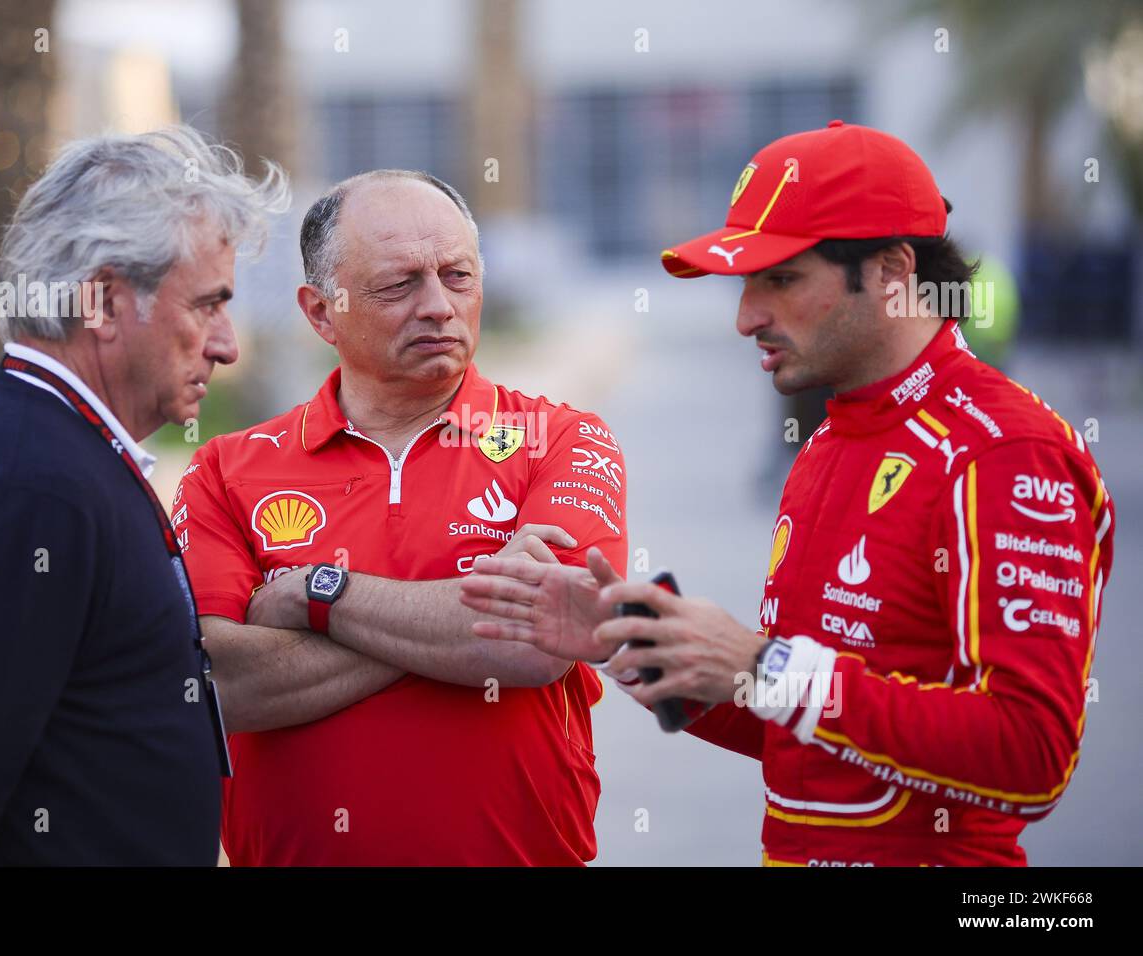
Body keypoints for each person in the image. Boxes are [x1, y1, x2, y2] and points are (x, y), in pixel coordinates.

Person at [460, 121, 1115, 867]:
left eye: (781, 279)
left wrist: (760, 666)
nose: (746, 317)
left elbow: (1031, 758)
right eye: (746, 282)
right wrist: (651, 649)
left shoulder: (1004, 452)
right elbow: (811, 741)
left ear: (894, 272)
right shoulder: (829, 443)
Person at [0, 126, 290, 865]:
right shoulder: (38, 489)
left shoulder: (44, 449)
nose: (227, 344)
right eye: (207, 306)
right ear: (104, 302)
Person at [173, 169, 628, 865]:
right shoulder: (224, 471)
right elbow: (222, 686)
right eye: (399, 284)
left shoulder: (563, 440)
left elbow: (539, 642)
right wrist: (459, 619)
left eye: (459, 275)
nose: (439, 306)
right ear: (321, 311)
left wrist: (315, 593)